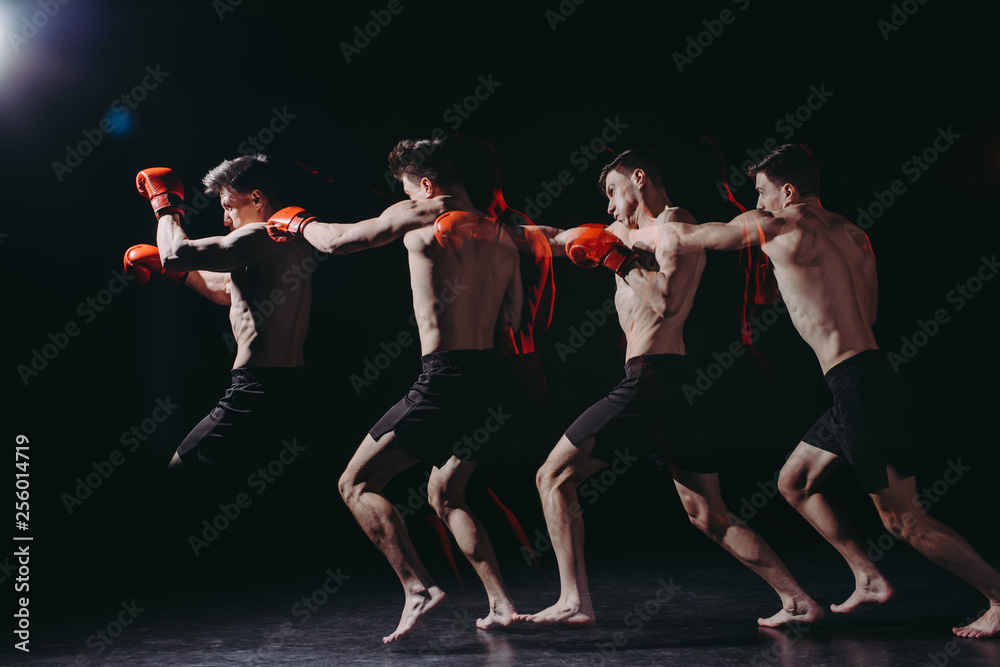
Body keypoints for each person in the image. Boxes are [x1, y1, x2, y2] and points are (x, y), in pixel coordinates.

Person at [667, 143, 1000, 638]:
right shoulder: (854, 233)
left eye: (760, 193)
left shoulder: (780, 225)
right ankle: (867, 578)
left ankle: (997, 596)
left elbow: (703, 237)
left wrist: (641, 230)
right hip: (868, 376)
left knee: (903, 520)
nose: (757, 204)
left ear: (788, 190)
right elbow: (866, 314)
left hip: (857, 387)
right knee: (795, 483)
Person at [506, 150, 822, 629]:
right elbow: (553, 239)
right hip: (668, 387)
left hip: (651, 379)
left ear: (639, 178)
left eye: (613, 191)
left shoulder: (675, 226)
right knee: (708, 514)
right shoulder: (624, 233)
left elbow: (667, 303)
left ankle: (574, 601)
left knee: (552, 477)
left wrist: (617, 260)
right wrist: (492, 226)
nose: (610, 206)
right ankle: (798, 600)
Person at [269, 137, 523, 642]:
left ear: (426, 186)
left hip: (445, 378)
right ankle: (501, 605)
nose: (405, 199)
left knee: (355, 484)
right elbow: (514, 319)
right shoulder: (502, 233)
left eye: (407, 189)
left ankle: (419, 589)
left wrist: (299, 223)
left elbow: (339, 242)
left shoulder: (425, 213)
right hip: (492, 381)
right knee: (447, 494)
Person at [125, 154, 313, 472]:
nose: (225, 219)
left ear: (256, 197)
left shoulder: (260, 236)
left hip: (256, 387)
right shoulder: (286, 242)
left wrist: (165, 203)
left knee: (175, 474)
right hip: (289, 386)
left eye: (228, 205)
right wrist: (173, 272)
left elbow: (176, 253)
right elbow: (228, 291)